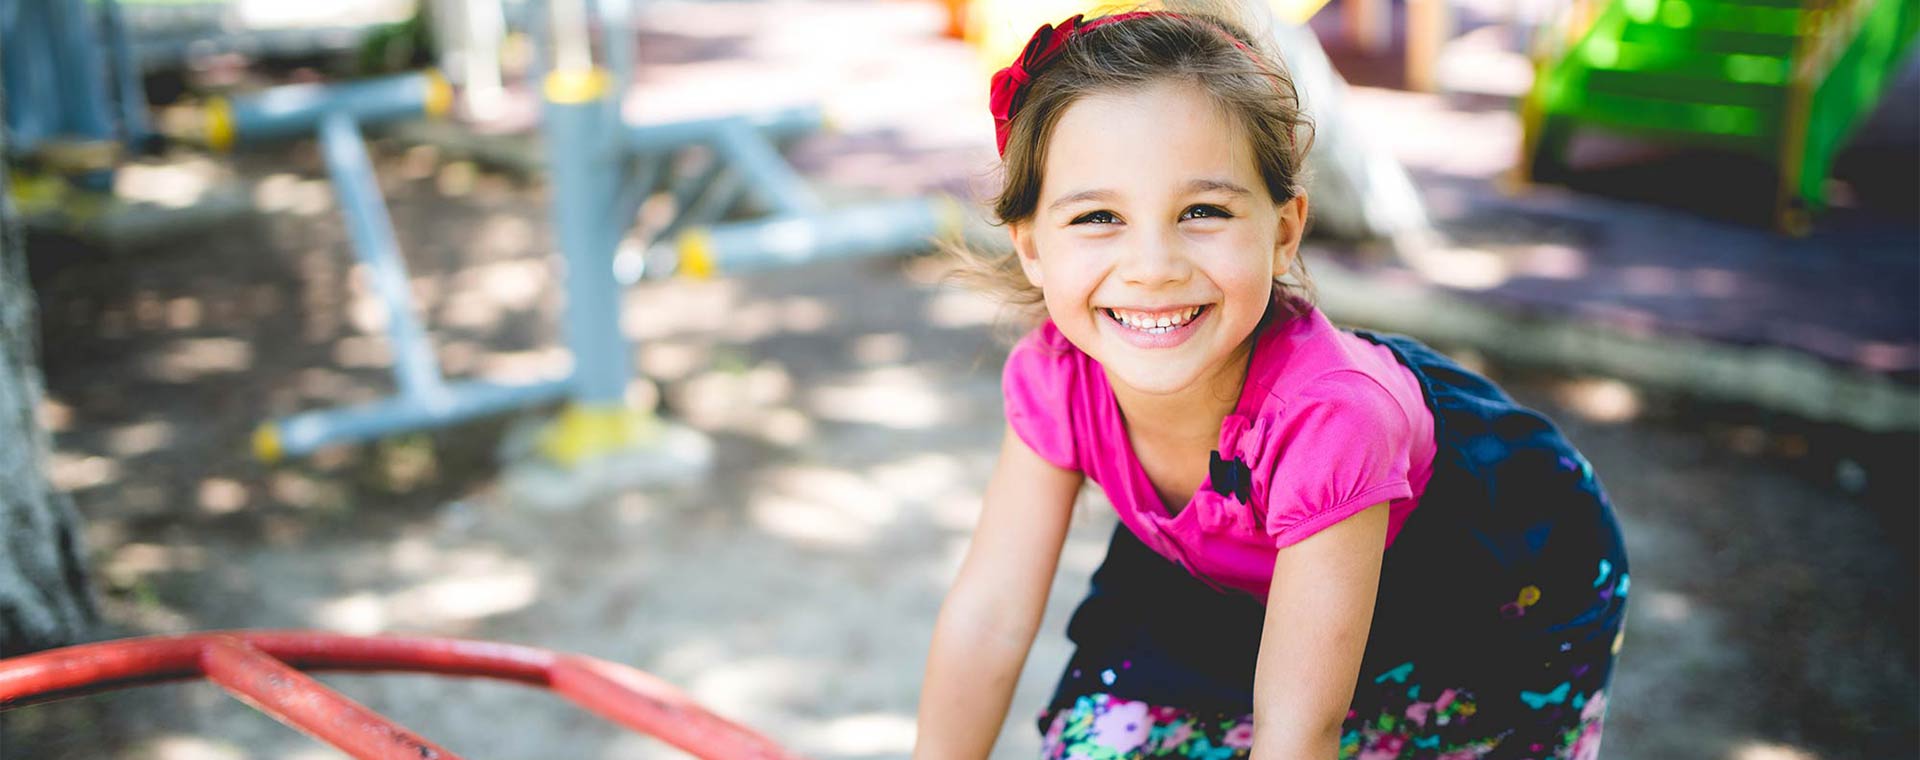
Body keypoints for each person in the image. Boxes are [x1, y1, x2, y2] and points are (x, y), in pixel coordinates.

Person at [913, 4, 1630, 758]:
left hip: (1494, 598)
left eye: (1202, 210)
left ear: (1283, 230)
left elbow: (1300, 731)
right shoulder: (1059, 373)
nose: (1153, 266)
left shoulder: (1332, 420)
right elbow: (990, 616)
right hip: (1243, 570)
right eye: (1097, 217)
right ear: (1030, 246)